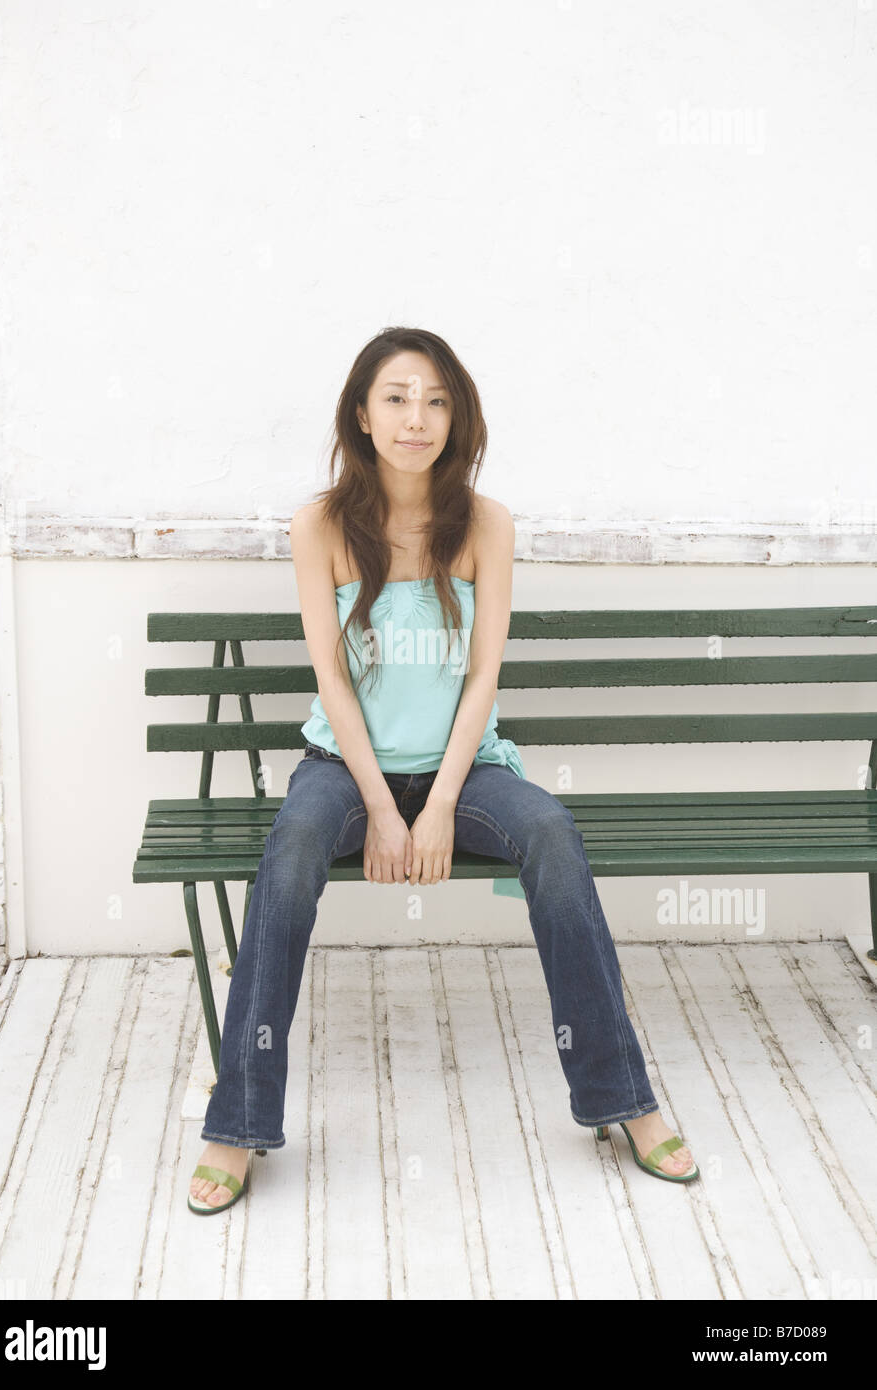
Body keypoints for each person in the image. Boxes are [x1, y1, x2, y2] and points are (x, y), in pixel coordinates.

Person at [188, 327, 698, 1214]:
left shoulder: (486, 524)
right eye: (395, 397)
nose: (414, 417)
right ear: (362, 413)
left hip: (467, 769)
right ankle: (236, 1121)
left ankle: (624, 1098)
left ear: (454, 415)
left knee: (549, 831)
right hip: (346, 770)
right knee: (292, 848)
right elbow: (333, 682)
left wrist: (442, 801)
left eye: (433, 399)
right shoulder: (319, 525)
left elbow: (484, 676)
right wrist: (385, 810)